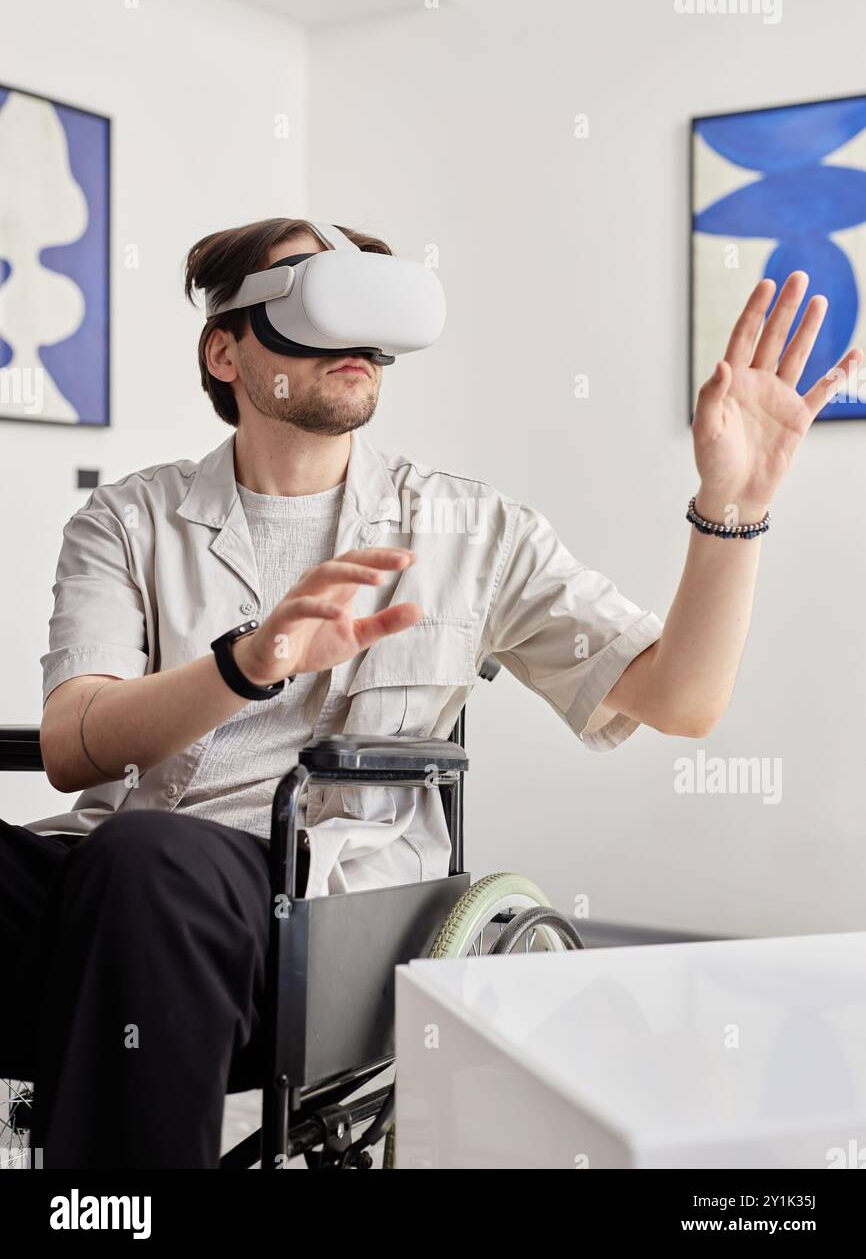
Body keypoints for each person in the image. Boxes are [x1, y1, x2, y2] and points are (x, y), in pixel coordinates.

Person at [1, 217, 857, 1168]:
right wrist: (247, 661)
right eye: (315, 293)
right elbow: (73, 745)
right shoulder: (127, 519)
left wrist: (731, 509)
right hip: (114, 887)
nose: (357, 335)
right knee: (129, 858)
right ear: (227, 350)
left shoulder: (470, 526)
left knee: (147, 862)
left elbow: (681, 699)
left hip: (321, 913)